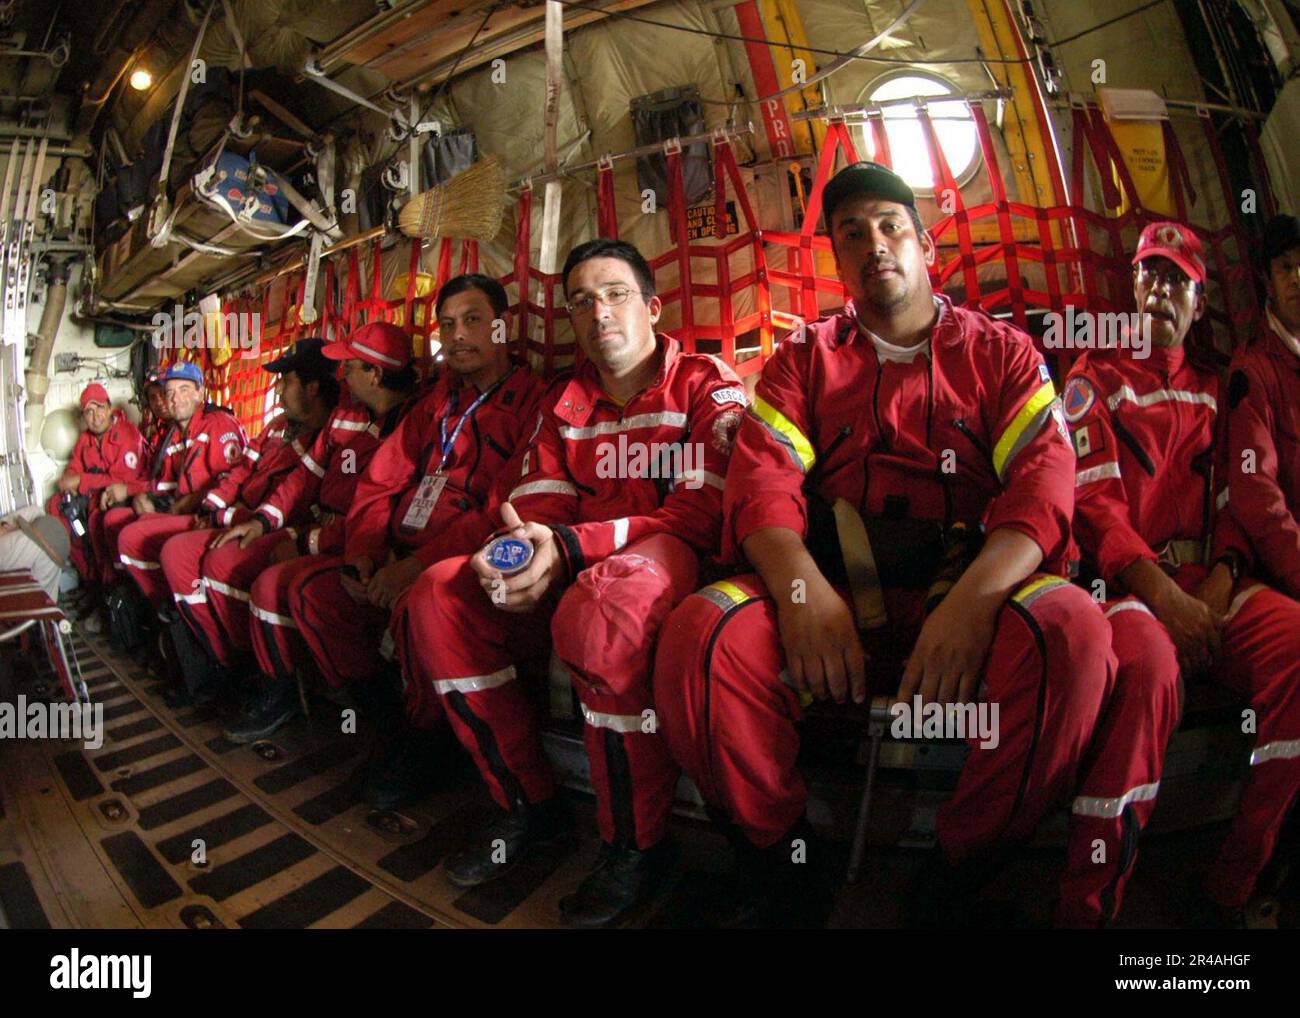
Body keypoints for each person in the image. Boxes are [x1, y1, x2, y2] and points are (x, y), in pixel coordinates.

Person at [651, 162, 1118, 928]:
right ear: (837, 259)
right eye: (852, 232)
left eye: (890, 226)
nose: (875, 244)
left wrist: (974, 603)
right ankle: (784, 861)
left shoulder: (1001, 354)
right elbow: (760, 482)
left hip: (969, 595)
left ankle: (961, 869)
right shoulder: (804, 358)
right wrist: (800, 593)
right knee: (700, 639)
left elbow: (1044, 483)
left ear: (926, 244)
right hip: (831, 597)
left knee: (1076, 635)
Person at [393, 239, 746, 927]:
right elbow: (542, 503)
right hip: (572, 562)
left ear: (651, 305)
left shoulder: (707, 382)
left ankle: (635, 846)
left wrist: (567, 544)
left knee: (606, 612)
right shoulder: (565, 402)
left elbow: (699, 515)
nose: (597, 311)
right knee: (438, 595)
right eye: (580, 301)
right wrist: (526, 549)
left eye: (614, 293)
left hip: (664, 558)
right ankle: (529, 806)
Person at [288, 280, 544, 802]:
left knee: (419, 604)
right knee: (317, 595)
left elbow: (503, 508)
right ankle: (390, 729)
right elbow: (381, 481)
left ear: (502, 327)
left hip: (467, 566)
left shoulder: (536, 400)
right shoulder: (435, 402)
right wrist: (364, 552)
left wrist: (413, 567)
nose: (457, 335)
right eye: (446, 324)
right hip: (396, 556)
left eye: (473, 320)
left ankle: (431, 745)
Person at [153, 339, 338, 696]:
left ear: (312, 388)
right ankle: (220, 656)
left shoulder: (332, 432)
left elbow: (295, 497)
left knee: (222, 562)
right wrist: (212, 507)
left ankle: (264, 672)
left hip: (285, 525)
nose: (278, 390)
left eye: (285, 381)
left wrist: (237, 517)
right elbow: (241, 470)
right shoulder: (277, 426)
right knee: (175, 552)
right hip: (246, 516)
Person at [1215, 211, 1300, 918]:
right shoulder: (1254, 372)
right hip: (1283, 580)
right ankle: (1249, 884)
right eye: (1285, 267)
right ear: (1267, 283)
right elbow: (1257, 496)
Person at [99, 361, 247, 615]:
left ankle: (169, 607)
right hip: (184, 509)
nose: (175, 399)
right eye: (170, 393)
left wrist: (183, 506)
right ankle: (151, 603)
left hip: (212, 515)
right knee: (120, 518)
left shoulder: (217, 424)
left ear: (200, 393)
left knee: (131, 536)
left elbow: (233, 482)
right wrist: (134, 492)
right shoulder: (177, 436)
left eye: (184, 390)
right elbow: (165, 484)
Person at [47, 382, 146, 584]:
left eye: (99, 407)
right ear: (83, 417)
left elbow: (123, 480)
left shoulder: (127, 434)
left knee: (96, 518)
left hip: (123, 495)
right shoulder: (86, 439)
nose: (95, 416)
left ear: (109, 408)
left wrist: (81, 481)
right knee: (57, 506)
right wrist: (70, 481)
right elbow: (73, 469)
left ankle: (110, 583)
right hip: (92, 494)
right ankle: (89, 577)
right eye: (88, 412)